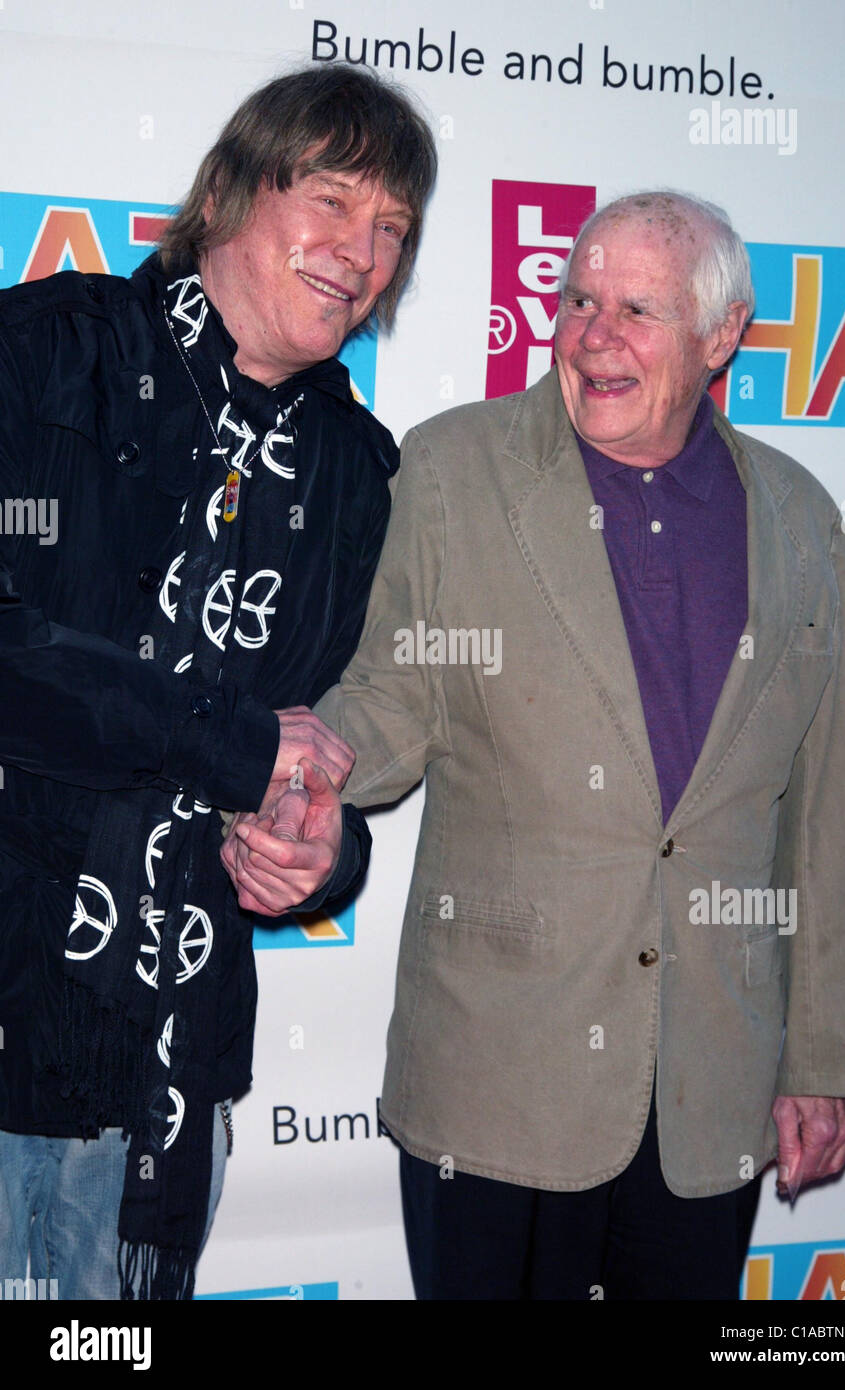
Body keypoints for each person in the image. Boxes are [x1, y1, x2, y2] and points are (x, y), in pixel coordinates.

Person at [224, 191, 845, 1301]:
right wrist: (308, 773)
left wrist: (823, 1062)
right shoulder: (452, 468)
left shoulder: (802, 518)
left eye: (636, 308)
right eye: (577, 298)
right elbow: (395, 686)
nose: (591, 334)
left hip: (706, 1091)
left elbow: (823, 812)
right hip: (497, 1079)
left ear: (722, 337)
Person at [0, 62, 436, 1300]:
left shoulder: (355, 470)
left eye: (394, 227)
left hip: (168, 1081)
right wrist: (236, 750)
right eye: (337, 199)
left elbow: (323, 747)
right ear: (237, 188)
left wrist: (319, 853)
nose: (364, 250)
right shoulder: (47, 358)